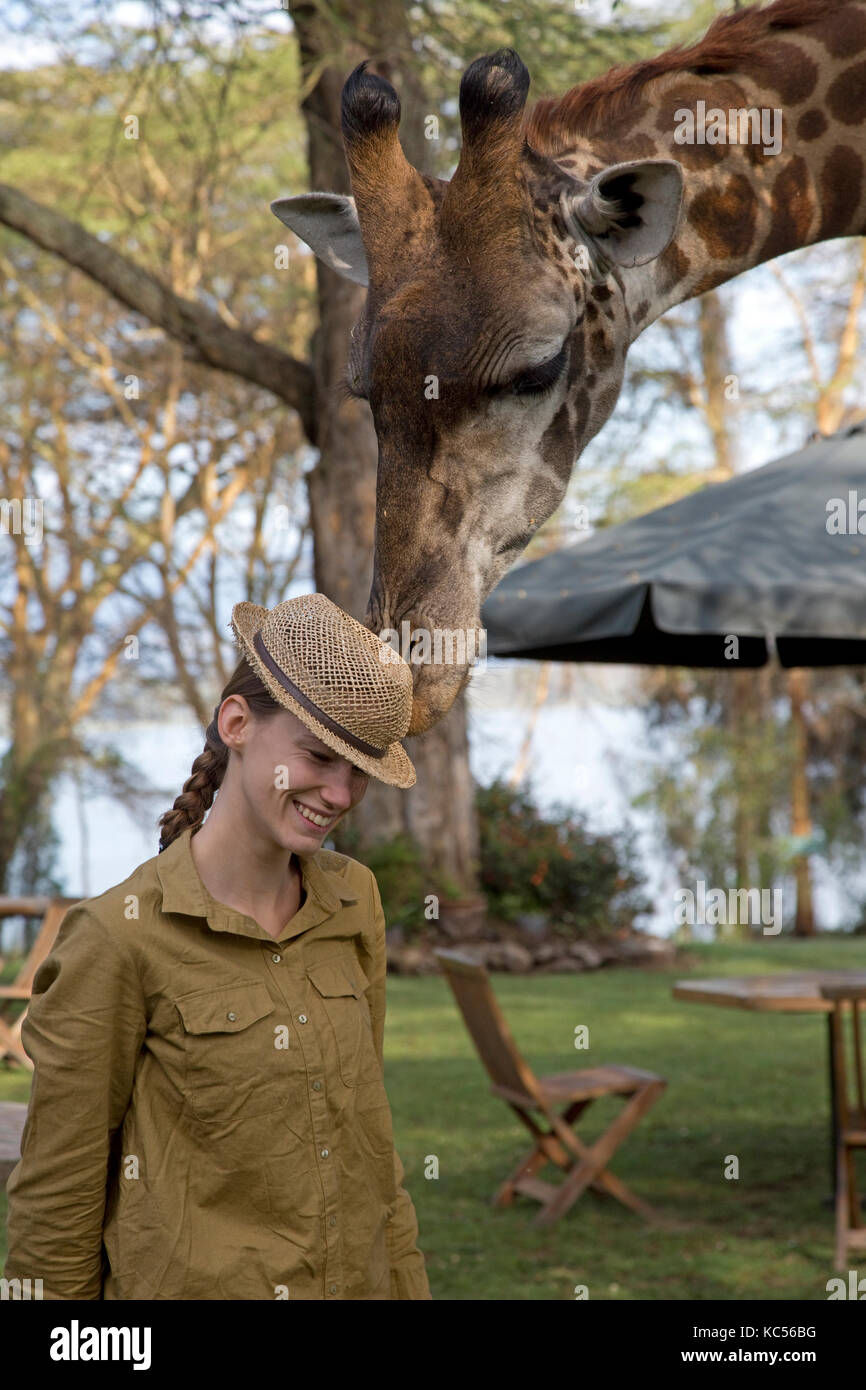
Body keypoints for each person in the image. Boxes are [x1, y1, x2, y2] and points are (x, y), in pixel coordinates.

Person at [3, 593, 432, 1300]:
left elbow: (369, 1144)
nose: (341, 792)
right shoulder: (119, 936)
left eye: (360, 770)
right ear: (237, 723)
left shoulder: (355, 901)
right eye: (319, 757)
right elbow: (57, 1198)